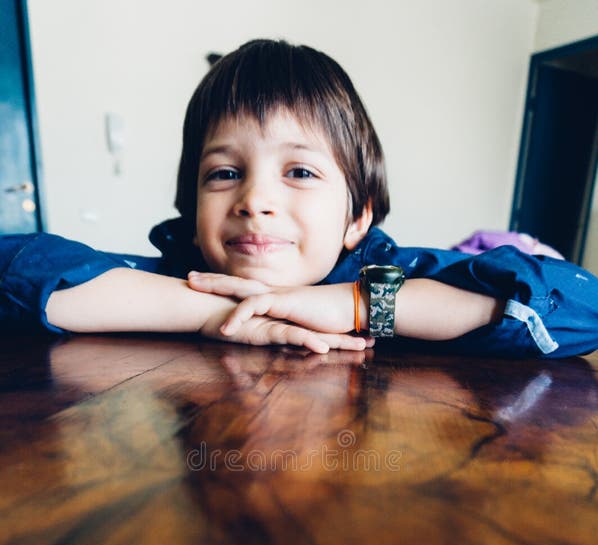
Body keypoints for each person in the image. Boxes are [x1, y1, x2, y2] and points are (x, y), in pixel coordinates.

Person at [1, 38, 597, 358]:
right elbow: (14, 269)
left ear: (357, 217)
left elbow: (581, 307)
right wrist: (213, 314)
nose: (255, 198)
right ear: (192, 206)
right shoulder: (182, 275)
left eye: (301, 172)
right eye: (224, 173)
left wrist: (356, 306)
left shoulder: (386, 275)